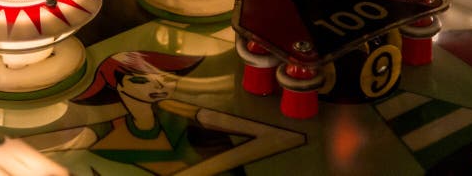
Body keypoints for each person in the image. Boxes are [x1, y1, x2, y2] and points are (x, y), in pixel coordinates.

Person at [20, 51, 304, 175]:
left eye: (164, 78)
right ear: (116, 85)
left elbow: (280, 136)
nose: (157, 86)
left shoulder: (186, 115)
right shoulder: (104, 132)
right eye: (142, 79)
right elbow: (11, 146)